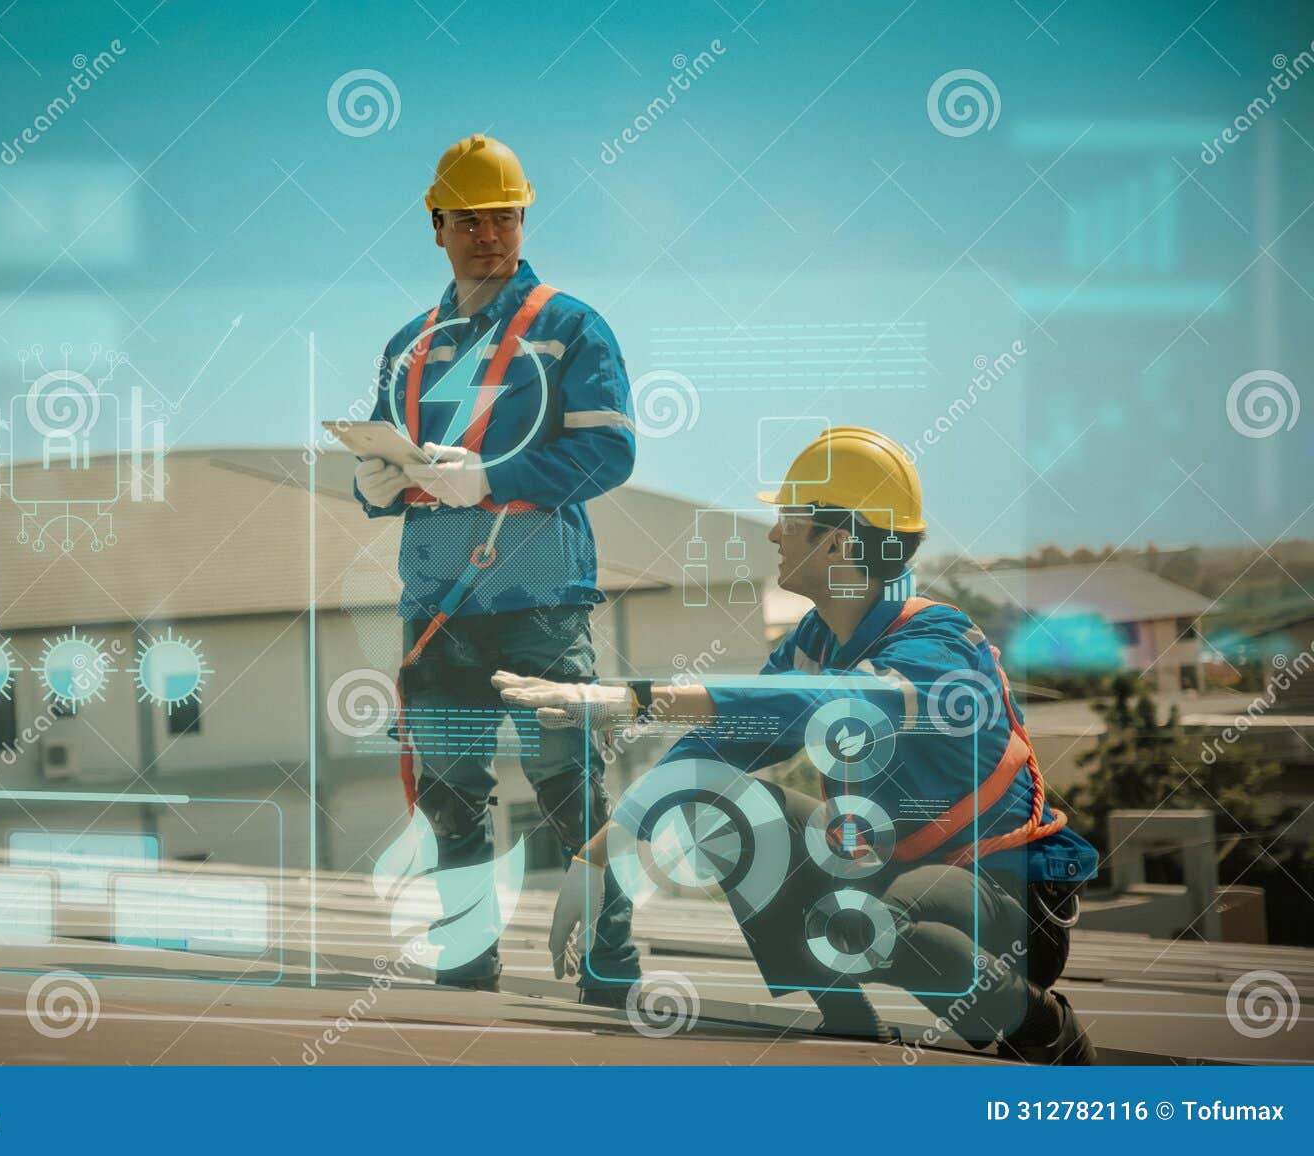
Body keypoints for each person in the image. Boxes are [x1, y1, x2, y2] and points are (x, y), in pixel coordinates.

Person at [494, 426, 1100, 1062]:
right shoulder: (817, 640)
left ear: (836, 541)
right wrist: (606, 850)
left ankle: (1048, 1035)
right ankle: (848, 1024)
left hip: (1005, 904)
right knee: (716, 798)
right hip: (902, 878)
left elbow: (839, 702)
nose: (773, 534)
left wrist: (641, 697)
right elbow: (728, 740)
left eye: (788, 519)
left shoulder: (936, 649)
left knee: (868, 925)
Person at [353, 134, 641, 1004]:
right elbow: (389, 459)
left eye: (505, 216)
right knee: (449, 795)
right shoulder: (411, 345)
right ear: (436, 226)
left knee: (569, 789)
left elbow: (611, 454)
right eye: (471, 219)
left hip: (540, 602)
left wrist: (491, 480)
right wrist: (377, 482)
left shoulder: (568, 327)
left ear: (523, 218)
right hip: (438, 605)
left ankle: (611, 964)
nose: (490, 234)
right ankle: (467, 961)